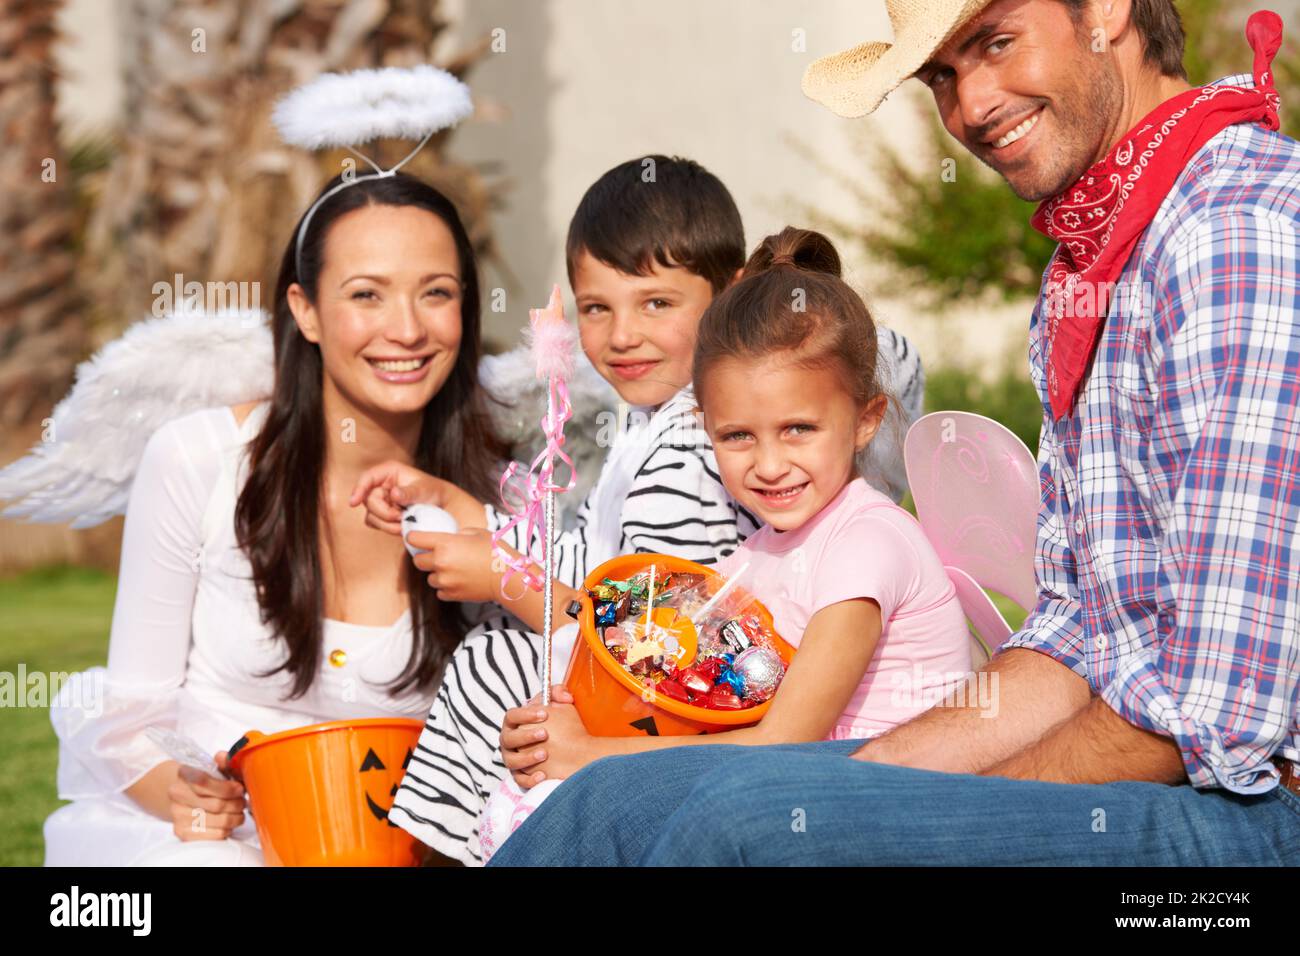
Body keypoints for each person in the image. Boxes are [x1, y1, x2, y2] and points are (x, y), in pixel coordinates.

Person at [488, 0, 1300, 866]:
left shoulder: (1231, 237)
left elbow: (1213, 718)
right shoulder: (1091, 260)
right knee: (627, 797)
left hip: (1248, 808)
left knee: (741, 828)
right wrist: (850, 786)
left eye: (996, 44)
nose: (972, 107)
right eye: (942, 76)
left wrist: (872, 811)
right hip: (1149, 757)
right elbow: (1073, 637)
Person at [351, 158, 928, 864]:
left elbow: (654, 639)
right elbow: (606, 572)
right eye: (596, 308)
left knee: (498, 657)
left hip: (845, 805)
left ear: (725, 301)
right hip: (758, 761)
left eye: (655, 303)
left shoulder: (697, 448)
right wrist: (473, 519)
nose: (622, 335)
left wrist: (510, 583)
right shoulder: (665, 435)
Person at [41, 171, 507, 866]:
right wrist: (184, 794)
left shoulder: (497, 493)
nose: (406, 329)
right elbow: (128, 717)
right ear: (305, 309)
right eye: (366, 295)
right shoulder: (200, 461)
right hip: (216, 842)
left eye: (435, 293)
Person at [476, 227, 970, 861]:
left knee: (595, 809)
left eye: (798, 429)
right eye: (738, 436)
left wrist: (589, 757)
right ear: (704, 429)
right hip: (806, 802)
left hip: (883, 817)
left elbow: (783, 745)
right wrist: (558, 724)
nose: (769, 464)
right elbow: (658, 655)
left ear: (866, 420)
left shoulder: (866, 543)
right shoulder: (760, 551)